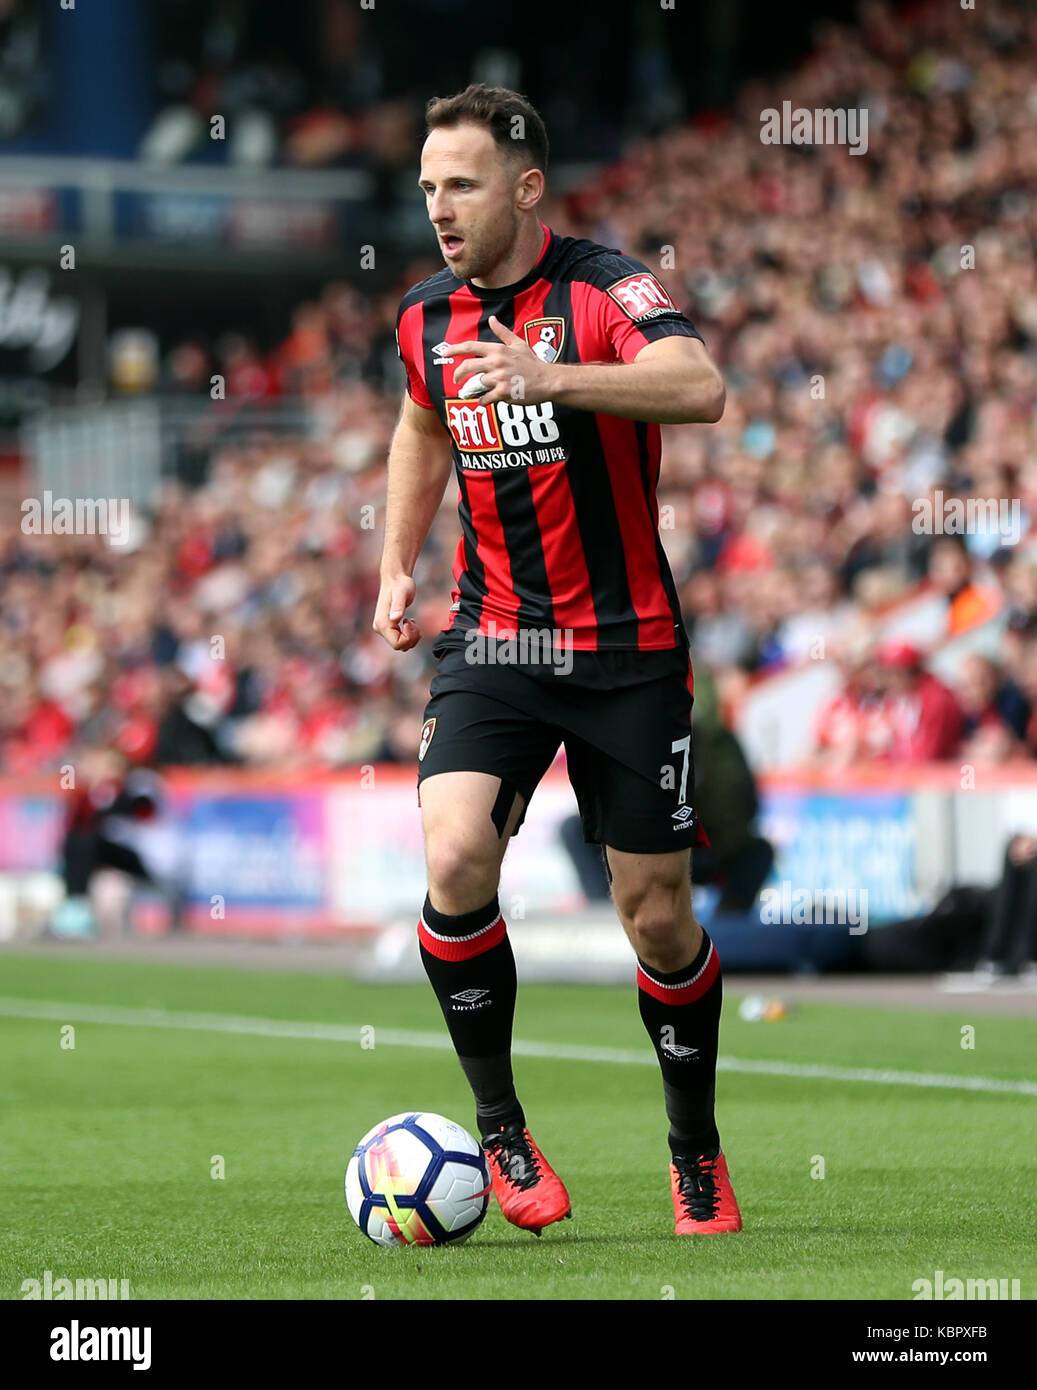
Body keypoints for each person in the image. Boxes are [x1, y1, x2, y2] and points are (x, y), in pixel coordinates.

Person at [373, 84, 739, 1237]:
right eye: (428, 185)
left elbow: (701, 387)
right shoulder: (423, 317)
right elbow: (422, 423)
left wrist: (552, 377)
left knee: (656, 918)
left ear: (524, 188)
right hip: (493, 637)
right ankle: (498, 1129)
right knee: (453, 852)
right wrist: (393, 565)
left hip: (627, 648)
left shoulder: (604, 288)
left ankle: (693, 1150)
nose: (438, 206)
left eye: (461, 183)